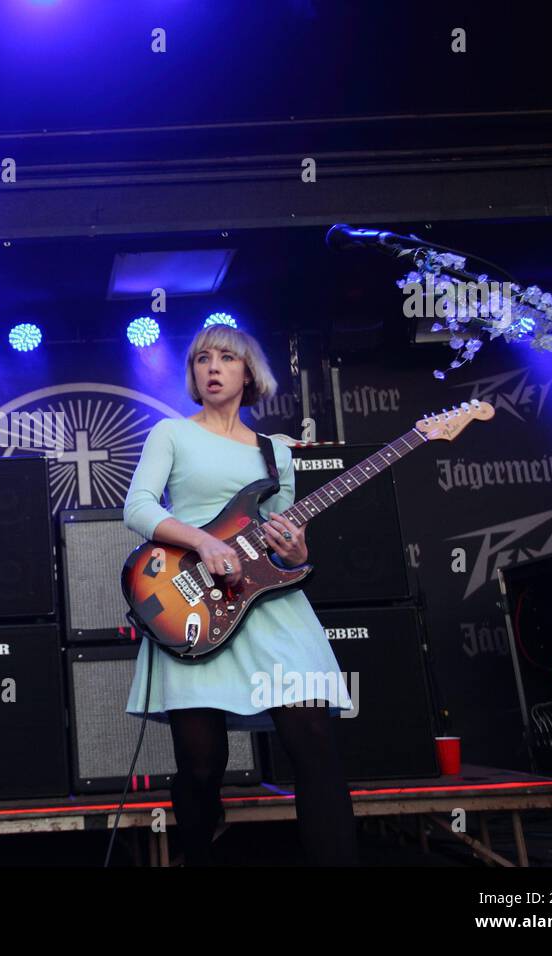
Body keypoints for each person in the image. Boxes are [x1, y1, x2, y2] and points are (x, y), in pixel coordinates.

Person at [124, 324, 357, 866]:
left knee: (315, 750)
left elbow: (283, 546)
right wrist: (203, 541)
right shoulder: (172, 435)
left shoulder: (277, 453)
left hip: (272, 613)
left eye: (226, 358)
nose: (212, 367)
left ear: (247, 372)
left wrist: (296, 553)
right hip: (197, 608)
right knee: (202, 768)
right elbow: (138, 507)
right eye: (202, 358)